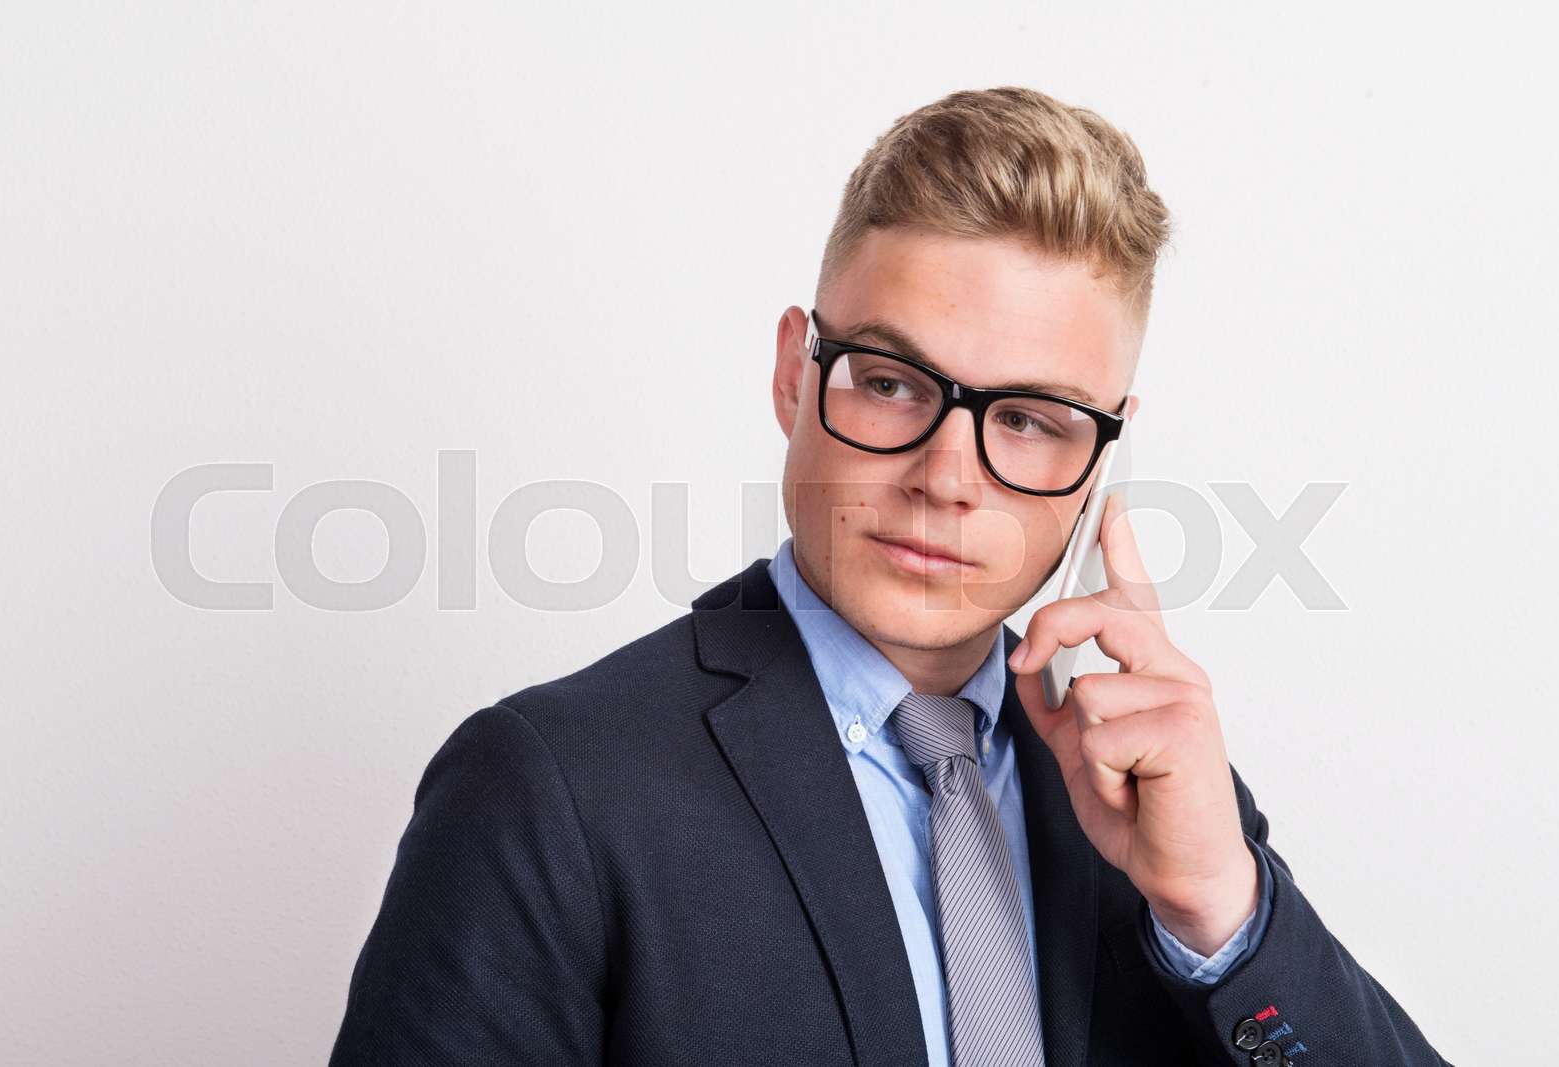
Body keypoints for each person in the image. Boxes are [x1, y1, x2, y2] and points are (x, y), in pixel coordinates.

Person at [329, 86, 1448, 1066]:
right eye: (893, 383)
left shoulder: (1166, 808)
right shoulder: (550, 792)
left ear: (1099, 454)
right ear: (792, 371)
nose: (947, 477)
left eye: (1028, 418)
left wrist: (1222, 905)